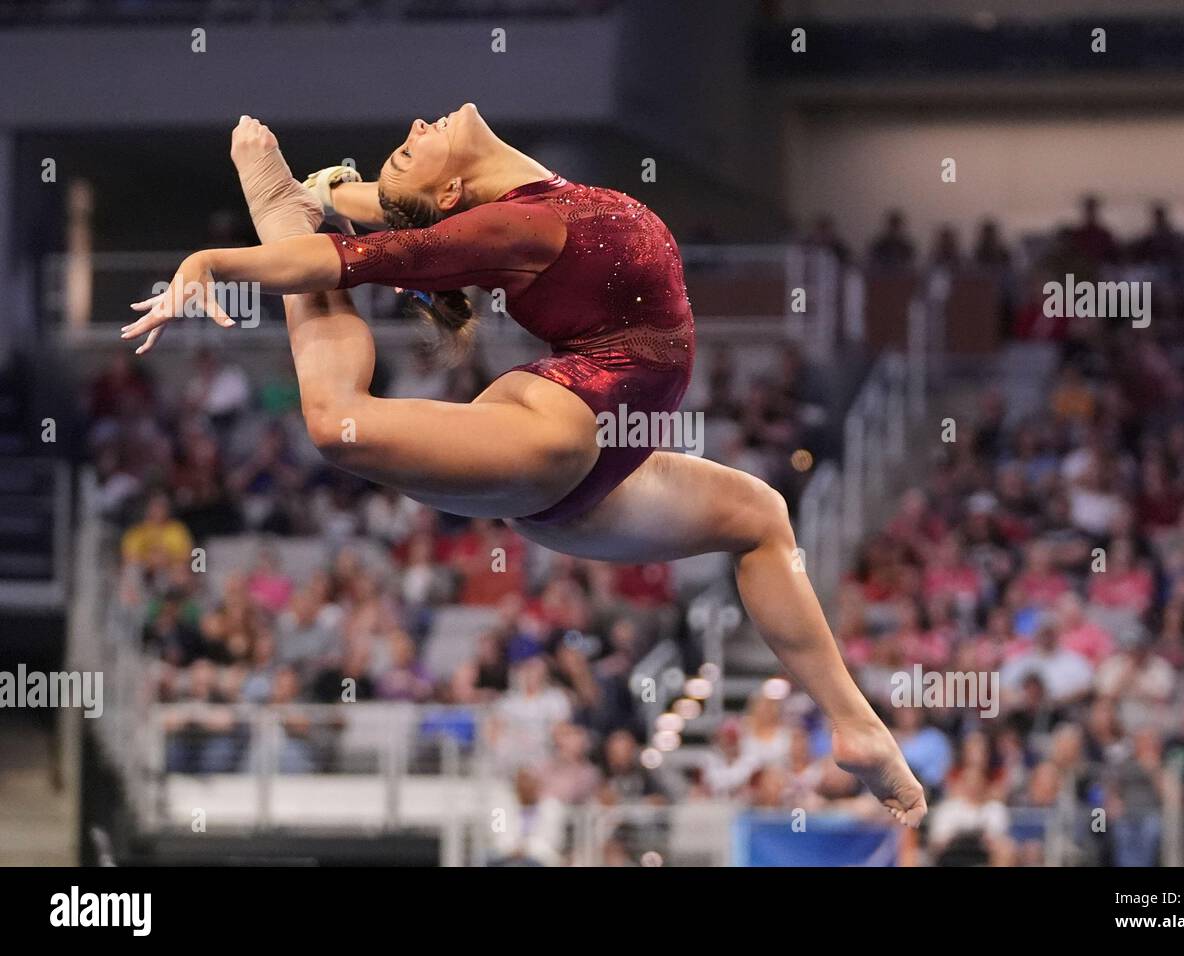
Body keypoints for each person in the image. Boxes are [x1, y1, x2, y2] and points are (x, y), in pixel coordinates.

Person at [122, 107, 926, 826]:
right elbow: (352, 258)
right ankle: (277, 217)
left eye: (403, 151)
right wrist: (213, 260)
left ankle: (855, 725)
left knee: (762, 520)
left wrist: (333, 186)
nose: (410, 133)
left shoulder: (519, 206)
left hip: (604, 467)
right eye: (407, 154)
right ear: (449, 196)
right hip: (556, 436)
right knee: (337, 423)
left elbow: (385, 210)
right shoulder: (512, 230)